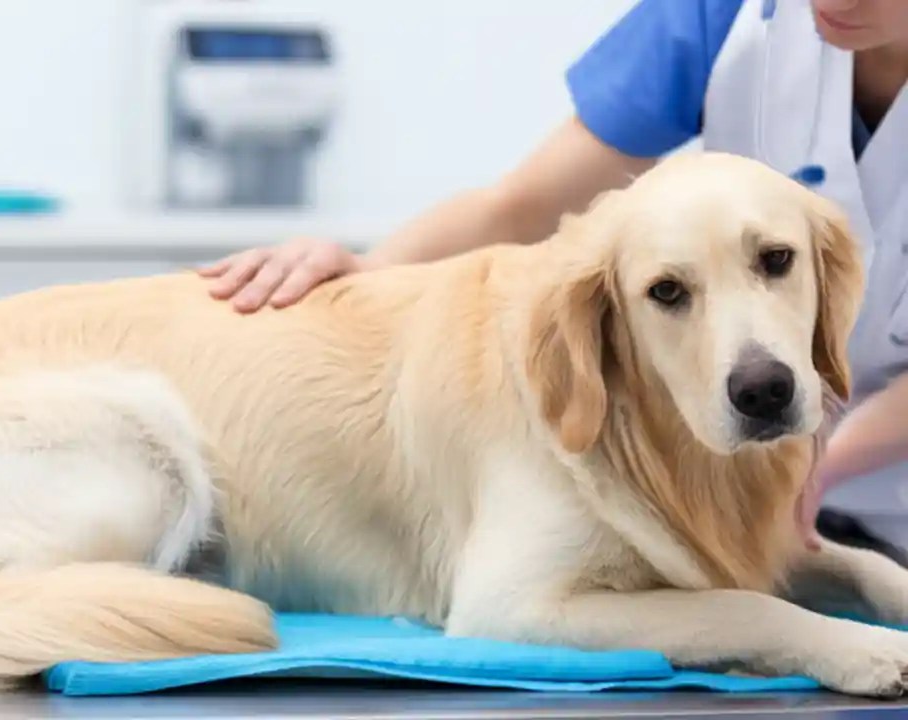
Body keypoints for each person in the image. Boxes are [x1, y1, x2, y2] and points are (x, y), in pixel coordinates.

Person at [197, 0, 908, 550]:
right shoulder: (726, 17)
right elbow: (525, 205)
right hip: (746, 492)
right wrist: (369, 269)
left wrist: (827, 461)